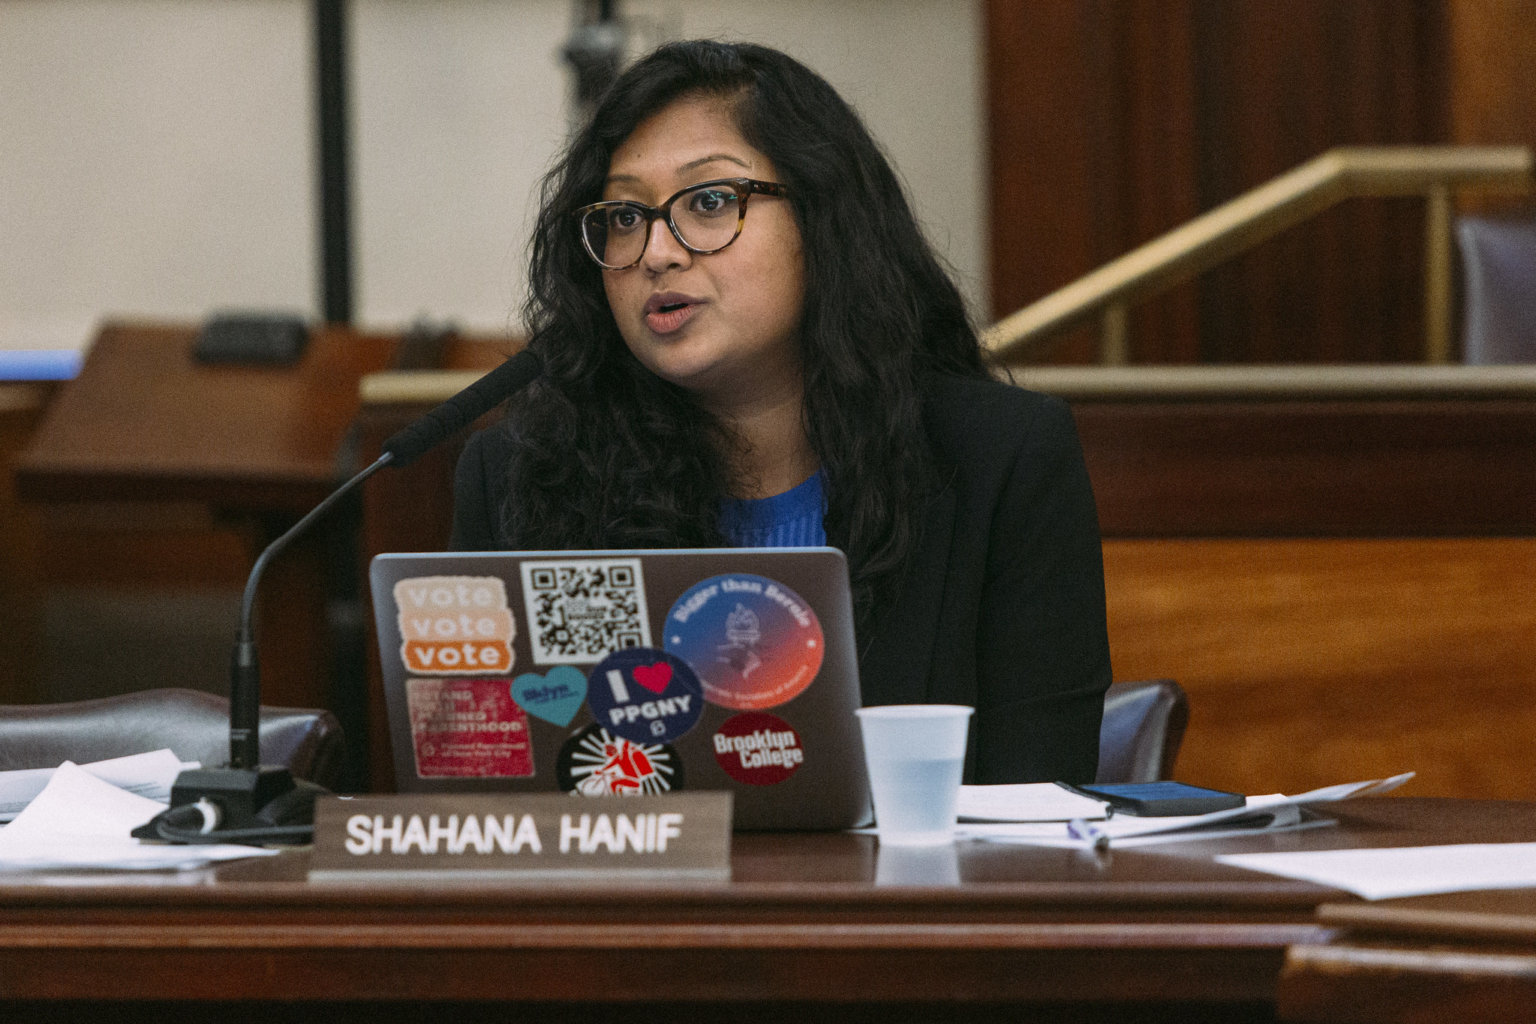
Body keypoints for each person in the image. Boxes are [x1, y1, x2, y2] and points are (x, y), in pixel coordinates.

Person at [452, 40, 1111, 783]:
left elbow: (1038, 815)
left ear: (824, 220)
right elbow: (492, 808)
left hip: (917, 900)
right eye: (625, 216)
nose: (656, 252)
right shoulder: (520, 479)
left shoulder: (1001, 460)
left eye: (708, 202)